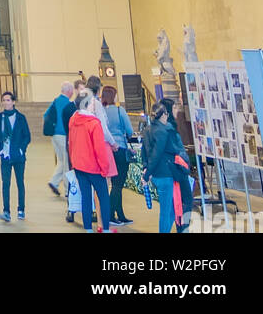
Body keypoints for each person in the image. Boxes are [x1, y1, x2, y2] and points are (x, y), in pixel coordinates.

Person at [68, 90, 117, 232]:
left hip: (79, 165)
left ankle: (88, 228)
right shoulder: (94, 123)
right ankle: (106, 228)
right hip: (94, 167)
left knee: (86, 198)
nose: (95, 106)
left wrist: (73, 161)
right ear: (87, 104)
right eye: (93, 103)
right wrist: (105, 168)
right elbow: (99, 149)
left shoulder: (73, 120)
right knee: (103, 198)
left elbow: (71, 142)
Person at [141, 100, 191, 234]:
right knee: (167, 211)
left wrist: (146, 171)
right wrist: (146, 174)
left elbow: (144, 152)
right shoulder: (164, 131)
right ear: (164, 115)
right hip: (165, 174)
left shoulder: (147, 130)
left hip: (157, 175)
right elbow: (157, 154)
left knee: (170, 210)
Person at [0, 90, 31, 222]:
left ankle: (21, 209)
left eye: (8, 100)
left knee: (20, 182)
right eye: (4, 100)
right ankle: (6, 211)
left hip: (18, 156)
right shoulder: (0, 117)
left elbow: (27, 136)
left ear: (13, 102)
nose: (6, 102)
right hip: (5, 156)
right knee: (6, 183)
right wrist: (0, 150)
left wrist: (21, 149)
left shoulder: (20, 118)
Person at [101, 85, 134, 225]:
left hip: (107, 150)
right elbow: (129, 130)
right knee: (118, 185)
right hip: (119, 148)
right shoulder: (120, 111)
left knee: (114, 184)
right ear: (113, 96)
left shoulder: (101, 111)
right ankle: (109, 214)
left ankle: (119, 214)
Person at [62, 79, 88, 223]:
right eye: (81, 90)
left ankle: (90, 209)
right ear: (76, 90)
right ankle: (71, 209)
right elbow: (68, 130)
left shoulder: (89, 107)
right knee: (73, 177)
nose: (83, 93)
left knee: (87, 179)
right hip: (73, 146)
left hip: (86, 148)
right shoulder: (68, 109)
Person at [44, 81, 74, 197]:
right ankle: (67, 190)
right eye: (71, 91)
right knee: (67, 163)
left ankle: (54, 182)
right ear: (69, 91)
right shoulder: (67, 103)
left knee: (61, 160)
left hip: (54, 135)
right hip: (64, 135)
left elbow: (45, 115)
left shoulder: (55, 101)